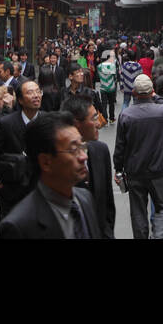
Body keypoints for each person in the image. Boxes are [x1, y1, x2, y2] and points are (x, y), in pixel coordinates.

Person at [0, 111, 99, 238]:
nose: (83, 157)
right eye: (73, 150)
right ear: (45, 162)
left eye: (82, 146)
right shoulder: (18, 227)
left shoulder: (85, 200)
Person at [114, 73, 163, 239]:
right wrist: (156, 96)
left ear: (134, 92)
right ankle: (159, 235)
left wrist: (118, 169)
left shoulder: (126, 115)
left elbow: (120, 146)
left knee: (138, 211)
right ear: (152, 91)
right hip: (159, 169)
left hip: (135, 170)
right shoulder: (162, 111)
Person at [0, 79, 43, 218]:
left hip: (42, 191)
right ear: (20, 100)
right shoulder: (6, 123)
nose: (36, 95)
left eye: (38, 91)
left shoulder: (48, 121)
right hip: (12, 191)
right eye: (30, 92)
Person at [63, 95, 116, 238]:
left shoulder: (101, 150)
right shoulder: (59, 161)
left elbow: (107, 202)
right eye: (93, 118)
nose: (99, 123)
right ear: (76, 123)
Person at [97, 50, 118, 123]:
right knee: (111, 103)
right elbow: (115, 76)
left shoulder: (99, 66)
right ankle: (111, 118)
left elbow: (98, 75)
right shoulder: (112, 66)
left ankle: (105, 119)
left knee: (104, 104)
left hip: (103, 88)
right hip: (111, 87)